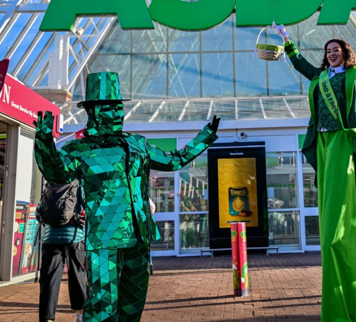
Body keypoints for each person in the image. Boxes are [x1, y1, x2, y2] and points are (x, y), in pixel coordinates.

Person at [34, 72, 220, 322]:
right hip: (104, 242)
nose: (117, 113)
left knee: (132, 306)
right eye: (109, 108)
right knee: (101, 309)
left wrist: (204, 137)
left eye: (118, 107)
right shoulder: (80, 149)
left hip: (139, 238)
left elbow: (174, 160)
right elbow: (56, 172)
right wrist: (44, 143)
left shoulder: (137, 144)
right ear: (93, 112)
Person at [269, 9, 356, 322]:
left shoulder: (353, 75)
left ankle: (337, 233)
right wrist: (286, 39)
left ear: (344, 55)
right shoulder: (318, 77)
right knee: (325, 188)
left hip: (341, 138)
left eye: (336, 51)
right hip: (322, 141)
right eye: (328, 52)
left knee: (339, 191)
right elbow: (299, 63)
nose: (331, 55)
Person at [39, 183, 86, 322]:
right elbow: (88, 208)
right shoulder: (78, 185)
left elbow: (38, 211)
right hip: (74, 238)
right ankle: (80, 314)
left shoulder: (48, 187)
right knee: (77, 275)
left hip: (50, 238)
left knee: (49, 280)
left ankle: (47, 319)